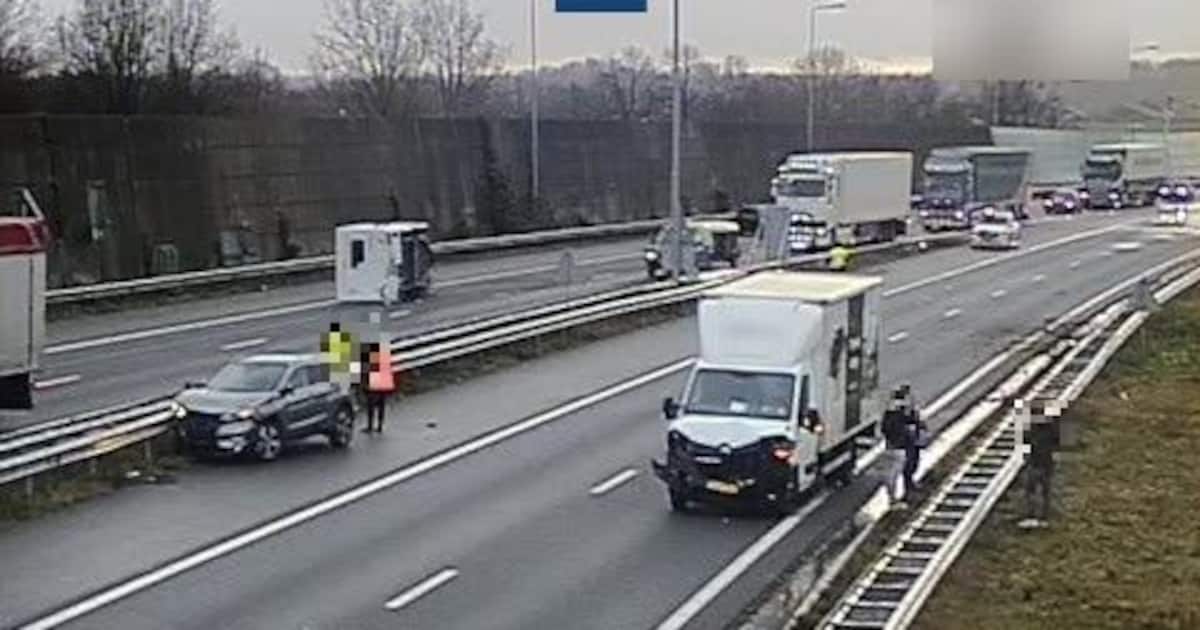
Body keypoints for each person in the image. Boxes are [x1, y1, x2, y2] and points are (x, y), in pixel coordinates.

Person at [880, 388, 913, 509]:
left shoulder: (888, 413)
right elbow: (912, 420)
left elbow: (884, 429)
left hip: (890, 447)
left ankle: (891, 498)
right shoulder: (902, 413)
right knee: (898, 473)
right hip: (900, 448)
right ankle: (895, 499)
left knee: (890, 474)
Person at [364, 341, 396, 433]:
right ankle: (379, 426)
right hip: (383, 377)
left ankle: (370, 426)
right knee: (381, 402)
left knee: (371, 403)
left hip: (375, 378)